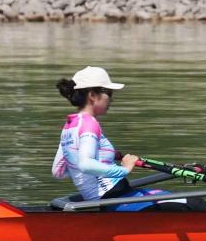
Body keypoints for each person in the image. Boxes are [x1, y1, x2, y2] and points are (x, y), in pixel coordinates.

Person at [51, 65, 146, 203]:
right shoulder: (89, 123)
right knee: (180, 202)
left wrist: (104, 155)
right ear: (92, 95)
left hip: (98, 198)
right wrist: (125, 169)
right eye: (109, 93)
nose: (111, 99)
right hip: (114, 195)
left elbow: (58, 171)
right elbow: (86, 165)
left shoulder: (69, 126)